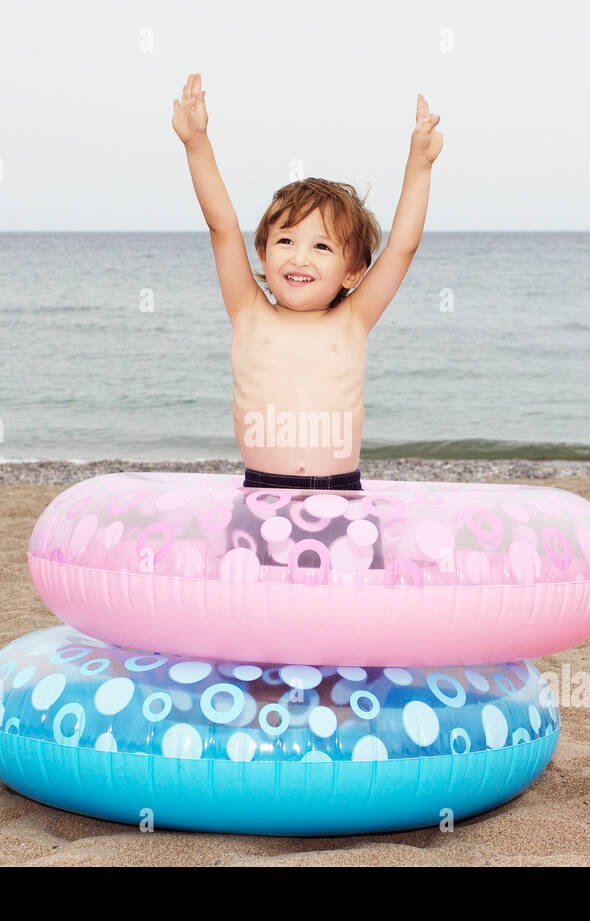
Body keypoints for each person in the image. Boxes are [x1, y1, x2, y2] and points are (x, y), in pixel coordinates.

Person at [172, 72, 442, 572]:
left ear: (353, 270)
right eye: (286, 240)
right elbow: (222, 225)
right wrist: (196, 143)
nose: (300, 257)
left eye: (322, 246)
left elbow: (403, 245)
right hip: (260, 498)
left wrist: (419, 165)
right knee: (257, 623)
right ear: (264, 251)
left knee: (349, 626)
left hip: (343, 499)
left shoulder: (353, 320)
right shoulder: (248, 311)